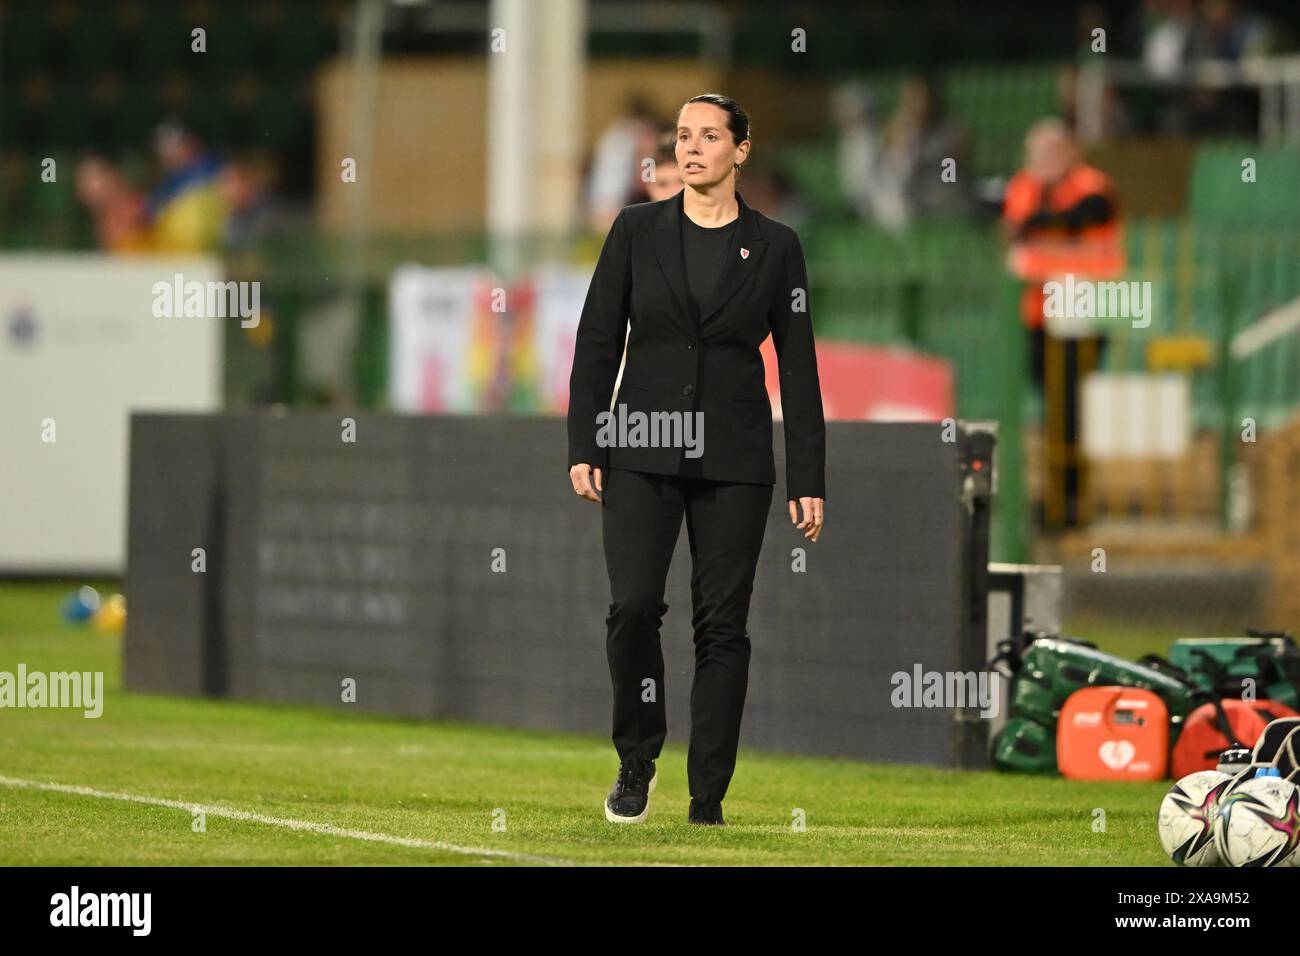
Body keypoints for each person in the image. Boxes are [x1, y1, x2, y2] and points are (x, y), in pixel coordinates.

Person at [567, 93, 826, 826]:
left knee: (722, 627)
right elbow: (597, 343)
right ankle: (636, 759)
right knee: (634, 606)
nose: (692, 147)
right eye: (683, 135)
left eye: (710, 136)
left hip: (735, 458)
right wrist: (586, 441)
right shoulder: (635, 230)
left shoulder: (778, 247)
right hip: (642, 447)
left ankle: (707, 795)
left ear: (740, 151)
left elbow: (800, 369)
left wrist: (808, 477)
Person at [1003, 118, 1123, 530]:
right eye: (1039, 152)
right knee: (1054, 406)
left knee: (1071, 405)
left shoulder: (1094, 186)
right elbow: (1020, 228)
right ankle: (1058, 496)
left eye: (1055, 150)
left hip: (1085, 312)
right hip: (1039, 314)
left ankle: (1070, 499)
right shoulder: (1024, 186)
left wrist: (1040, 223)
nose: (1047, 160)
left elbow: (1081, 217)